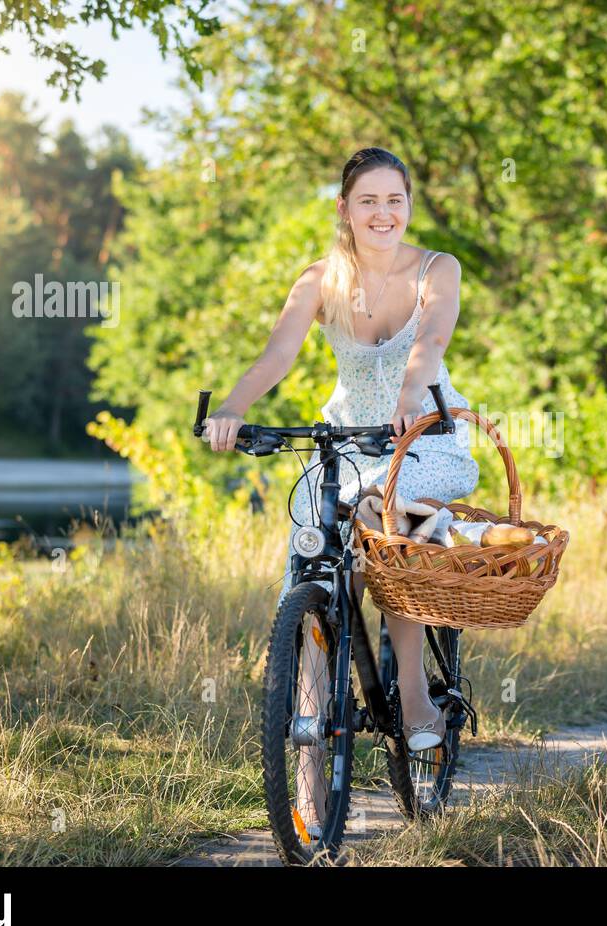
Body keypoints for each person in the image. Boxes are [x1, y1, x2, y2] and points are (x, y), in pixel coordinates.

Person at [201, 147, 479, 833]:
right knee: (317, 555)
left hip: (422, 437)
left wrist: (412, 395)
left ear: (408, 204)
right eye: (369, 201)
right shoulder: (320, 280)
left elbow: (432, 340)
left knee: (391, 533)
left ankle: (414, 698)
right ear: (344, 209)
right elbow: (276, 355)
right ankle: (311, 763)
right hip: (348, 439)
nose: (384, 214)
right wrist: (231, 410)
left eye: (396, 200)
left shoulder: (437, 269)